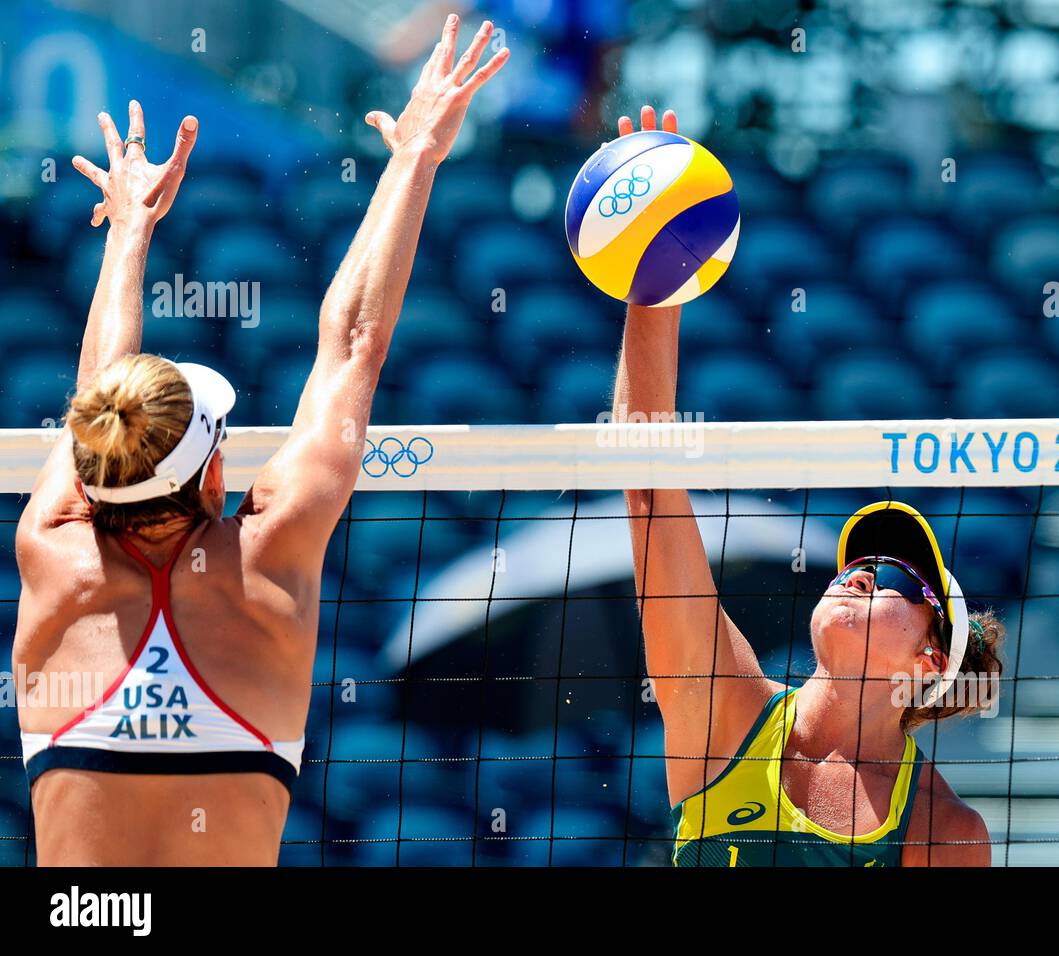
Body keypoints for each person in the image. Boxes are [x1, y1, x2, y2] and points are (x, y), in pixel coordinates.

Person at [13, 15, 508, 865]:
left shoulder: (52, 552)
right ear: (211, 478)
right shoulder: (269, 563)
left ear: (92, 476)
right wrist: (414, 155)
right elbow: (353, 343)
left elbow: (99, 393)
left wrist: (127, 233)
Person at [611, 105, 1000, 867]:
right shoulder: (729, 713)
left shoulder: (944, 833)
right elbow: (648, 488)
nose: (859, 572)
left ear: (926, 661)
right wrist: (652, 277)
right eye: (857, 563)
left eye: (891, 578)